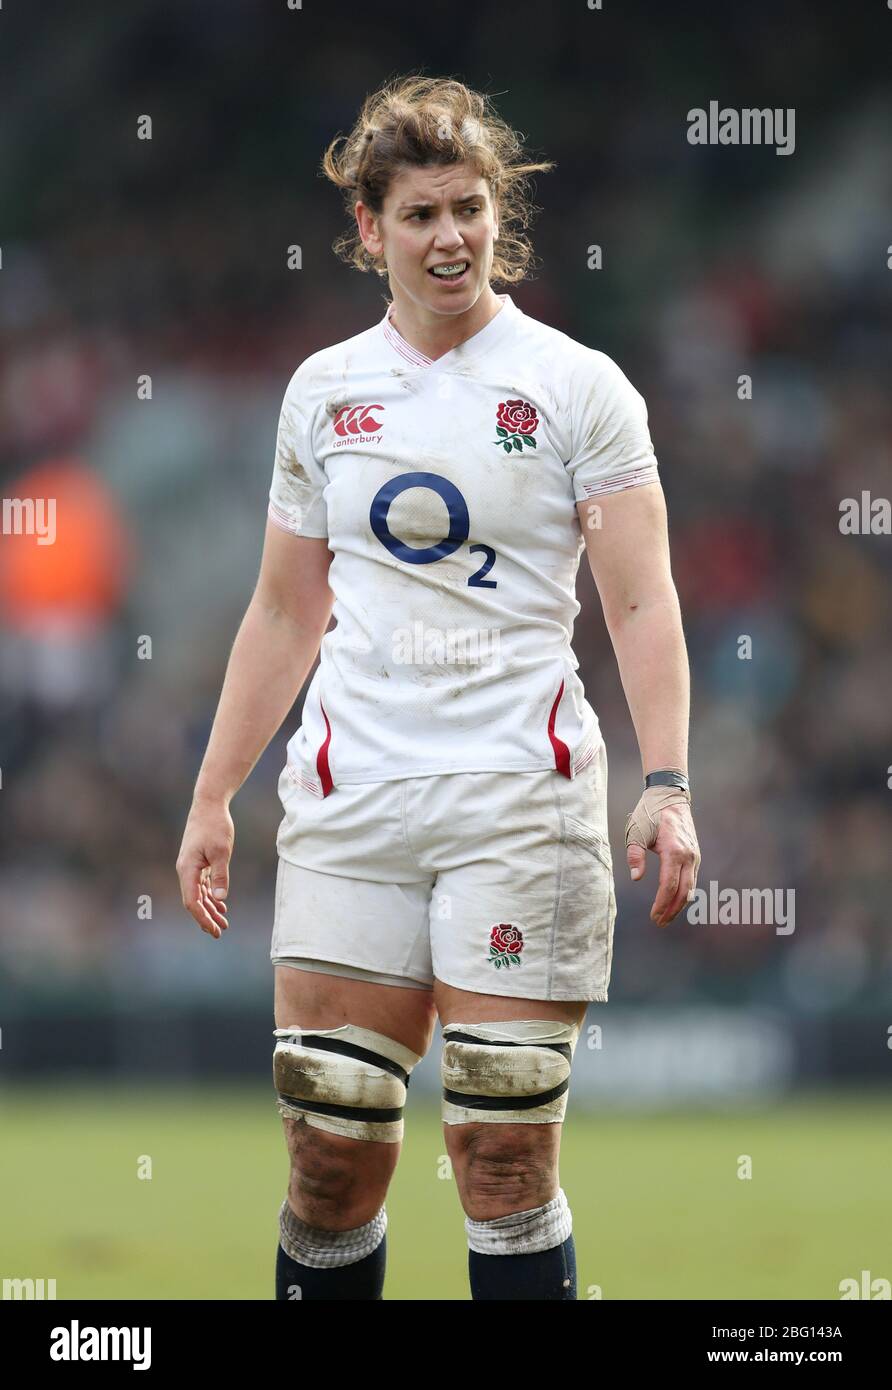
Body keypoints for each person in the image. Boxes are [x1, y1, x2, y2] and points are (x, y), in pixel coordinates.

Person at [176, 74, 701, 1302]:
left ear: (496, 217)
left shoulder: (578, 385)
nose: (449, 236)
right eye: (418, 215)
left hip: (521, 803)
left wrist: (666, 782)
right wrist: (213, 796)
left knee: (503, 1157)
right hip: (349, 804)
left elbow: (640, 601)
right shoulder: (322, 392)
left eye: (467, 208)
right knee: (326, 1155)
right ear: (369, 230)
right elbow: (284, 607)